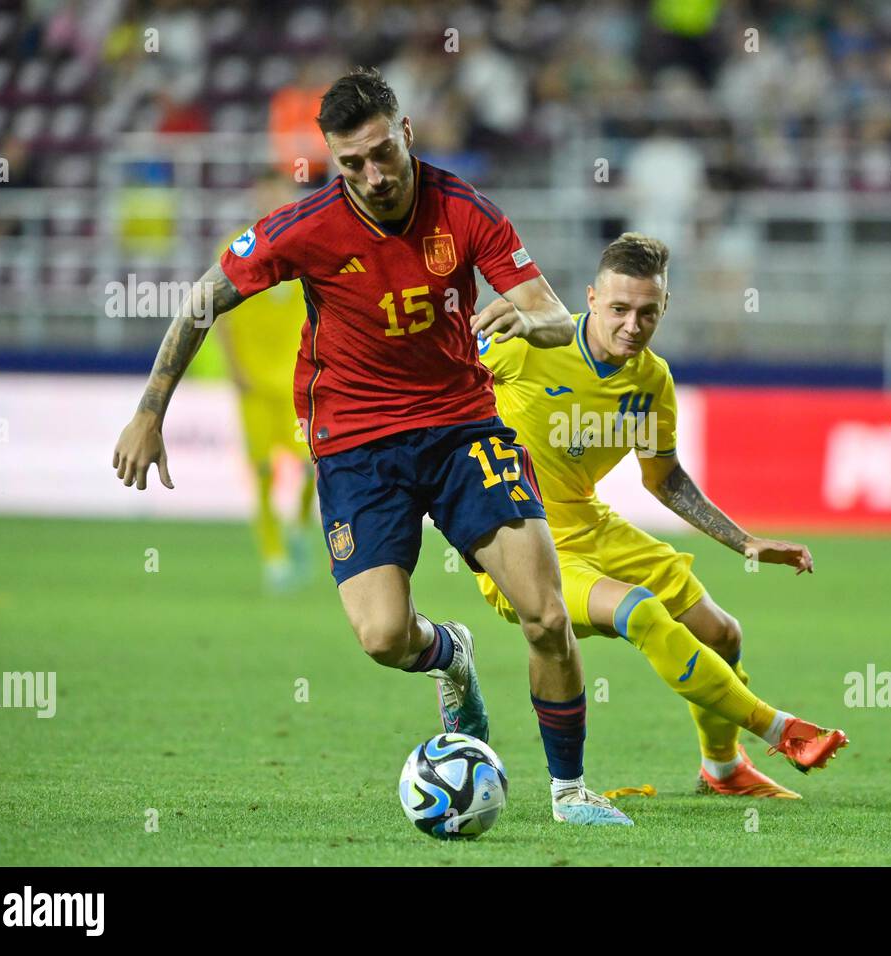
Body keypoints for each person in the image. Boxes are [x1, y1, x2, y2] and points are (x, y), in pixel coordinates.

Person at [112, 67, 632, 825]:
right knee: (385, 636)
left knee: (547, 614)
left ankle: (570, 791)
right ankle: (450, 654)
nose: (371, 175)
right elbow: (202, 299)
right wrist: (149, 413)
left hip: (462, 428)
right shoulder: (307, 225)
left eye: (381, 153)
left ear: (406, 134)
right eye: (350, 163)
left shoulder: (464, 210)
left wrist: (529, 322)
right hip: (357, 445)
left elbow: (552, 314)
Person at [475, 233, 848, 798]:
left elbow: (663, 478)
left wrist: (744, 542)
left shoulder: (651, 382)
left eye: (648, 313)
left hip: (591, 525)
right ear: (591, 299)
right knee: (641, 612)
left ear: (665, 309)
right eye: (619, 309)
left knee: (722, 633)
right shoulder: (526, 346)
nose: (632, 325)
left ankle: (722, 770)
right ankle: (780, 729)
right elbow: (438, 387)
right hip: (521, 541)